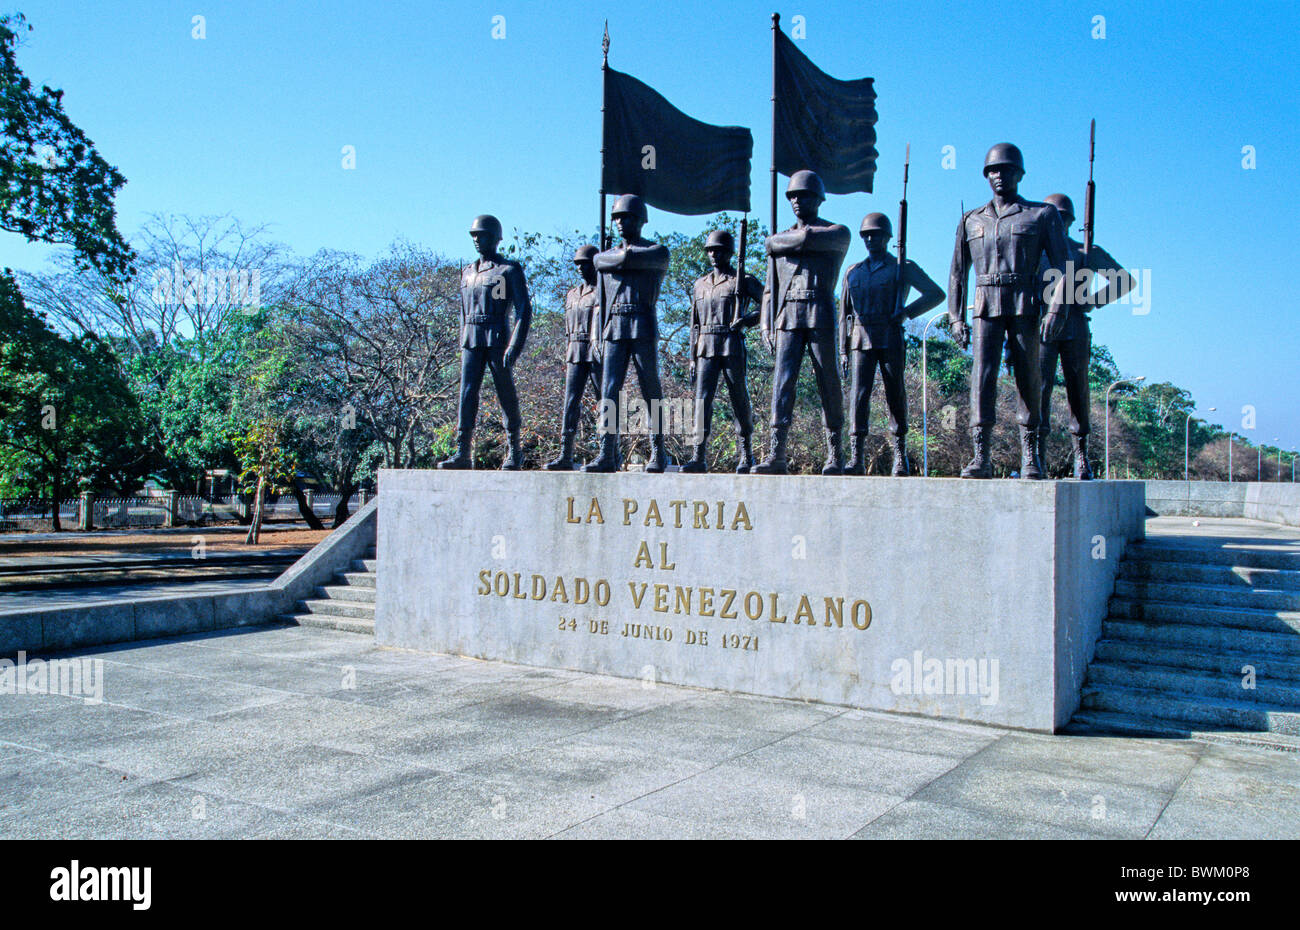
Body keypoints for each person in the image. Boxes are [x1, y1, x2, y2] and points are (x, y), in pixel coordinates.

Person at [948, 144, 1069, 479]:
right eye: (993, 170)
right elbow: (958, 274)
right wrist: (955, 317)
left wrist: (1056, 310)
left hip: (1024, 303)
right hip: (985, 304)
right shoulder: (971, 220)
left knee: (1028, 377)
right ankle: (981, 456)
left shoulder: (1042, 215)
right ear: (987, 175)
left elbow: (1065, 267)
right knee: (981, 377)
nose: (999, 175)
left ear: (1020, 174)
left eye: (1006, 169)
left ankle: (1031, 456)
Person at [753, 170, 852, 475]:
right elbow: (770, 289)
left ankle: (836, 453)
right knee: (782, 384)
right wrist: (766, 325)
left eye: (804, 195)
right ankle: (777, 452)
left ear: (819, 199)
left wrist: (774, 242)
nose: (797, 200)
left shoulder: (836, 232)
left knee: (828, 382)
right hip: (787, 316)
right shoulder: (778, 242)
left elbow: (807, 237)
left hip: (819, 312)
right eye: (793, 196)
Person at [1037, 192, 1134, 479]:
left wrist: (1091, 300)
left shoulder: (1084, 252)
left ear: (1069, 221)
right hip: (1041, 327)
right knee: (1038, 391)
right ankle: (1036, 458)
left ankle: (1082, 458)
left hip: (1075, 327)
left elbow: (1125, 280)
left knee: (1077, 391)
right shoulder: (1034, 253)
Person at [839, 212, 944, 476]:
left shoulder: (902, 266)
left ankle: (900, 454)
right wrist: (842, 349)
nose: (872, 239)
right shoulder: (853, 272)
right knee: (858, 397)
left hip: (890, 336)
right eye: (867, 235)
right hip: (861, 340)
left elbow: (935, 294)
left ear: (888, 237)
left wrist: (907, 312)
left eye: (877, 234)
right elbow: (845, 316)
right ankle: (856, 455)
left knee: (895, 394)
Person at [582, 194, 671, 473]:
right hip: (614, 327)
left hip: (642, 323)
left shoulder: (657, 252)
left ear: (641, 220)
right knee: (609, 391)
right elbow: (601, 302)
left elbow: (625, 257)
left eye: (627, 217)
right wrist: (597, 335)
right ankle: (607, 451)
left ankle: (659, 450)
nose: (621, 222)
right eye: (617, 218)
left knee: (650, 389)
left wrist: (613, 258)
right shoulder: (603, 260)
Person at [439, 214, 532, 470]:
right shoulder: (468, 271)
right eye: (474, 235)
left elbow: (524, 311)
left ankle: (515, 450)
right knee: (467, 393)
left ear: (495, 238)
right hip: (471, 338)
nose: (477, 240)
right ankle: (462, 451)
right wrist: (462, 340)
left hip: (497, 336)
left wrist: (514, 346)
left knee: (505, 392)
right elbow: (462, 310)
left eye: (482, 235)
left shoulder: (509, 269)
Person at [683, 230, 764, 473]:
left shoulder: (743, 279)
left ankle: (746, 453)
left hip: (731, 343)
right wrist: (692, 356)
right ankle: (698, 455)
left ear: (729, 253)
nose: (713, 254)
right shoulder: (700, 284)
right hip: (705, 346)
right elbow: (694, 324)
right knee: (701, 401)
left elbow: (768, 303)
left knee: (739, 398)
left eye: (718, 249)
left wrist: (747, 320)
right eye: (710, 250)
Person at [544, 245, 603, 470]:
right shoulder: (571, 294)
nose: (580, 268)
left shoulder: (603, 290)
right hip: (575, 350)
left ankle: (609, 450)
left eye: (585, 263)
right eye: (577, 263)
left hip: (597, 352)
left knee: (604, 402)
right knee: (570, 403)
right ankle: (565, 454)